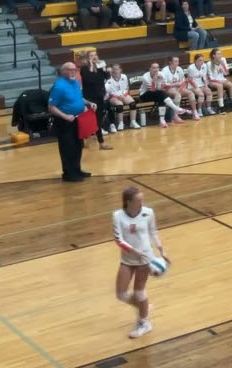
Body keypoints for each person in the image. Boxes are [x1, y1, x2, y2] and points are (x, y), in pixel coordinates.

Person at [112, 185, 167, 339]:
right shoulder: (118, 216)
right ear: (128, 202)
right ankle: (144, 307)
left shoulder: (148, 212)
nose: (141, 203)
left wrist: (161, 250)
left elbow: (153, 232)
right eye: (138, 200)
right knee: (121, 294)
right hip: (128, 258)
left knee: (139, 292)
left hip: (145, 258)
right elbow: (118, 239)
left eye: (142, 199)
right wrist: (135, 252)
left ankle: (144, 323)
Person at [48, 62, 93, 181]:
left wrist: (88, 103)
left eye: (75, 69)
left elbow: (79, 97)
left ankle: (77, 170)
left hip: (77, 119)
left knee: (78, 145)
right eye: (70, 69)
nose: (74, 72)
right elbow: (51, 107)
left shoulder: (75, 82)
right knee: (68, 147)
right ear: (63, 71)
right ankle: (69, 174)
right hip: (64, 122)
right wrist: (65, 116)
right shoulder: (59, 86)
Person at [79, 51, 113, 150]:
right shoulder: (84, 68)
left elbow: (106, 78)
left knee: (98, 119)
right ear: (87, 58)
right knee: (91, 119)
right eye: (91, 55)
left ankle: (95, 140)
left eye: (95, 55)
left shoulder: (99, 67)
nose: (94, 57)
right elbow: (89, 79)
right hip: (90, 98)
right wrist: (90, 65)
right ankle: (100, 142)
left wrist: (107, 71)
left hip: (99, 96)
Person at [139, 62, 189, 128]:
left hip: (157, 93)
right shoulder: (145, 77)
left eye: (157, 68)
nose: (156, 69)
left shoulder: (161, 74)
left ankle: (162, 121)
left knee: (161, 96)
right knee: (160, 94)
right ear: (150, 69)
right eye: (153, 68)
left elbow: (162, 88)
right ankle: (175, 109)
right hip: (145, 95)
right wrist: (154, 80)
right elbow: (152, 90)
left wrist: (163, 83)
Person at [105, 63, 139, 132]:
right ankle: (121, 123)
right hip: (112, 96)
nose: (115, 71)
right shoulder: (108, 79)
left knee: (132, 103)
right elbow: (109, 91)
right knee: (119, 104)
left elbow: (126, 87)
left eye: (117, 69)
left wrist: (124, 95)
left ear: (120, 70)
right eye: (114, 69)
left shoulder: (124, 76)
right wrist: (117, 96)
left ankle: (133, 122)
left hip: (123, 95)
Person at [207, 47, 232, 112]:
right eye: (218, 54)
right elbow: (210, 78)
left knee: (230, 84)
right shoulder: (209, 64)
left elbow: (226, 73)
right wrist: (219, 81)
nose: (220, 55)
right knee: (220, 86)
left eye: (220, 54)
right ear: (214, 56)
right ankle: (221, 107)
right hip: (212, 81)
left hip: (222, 79)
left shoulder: (223, 60)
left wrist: (223, 65)